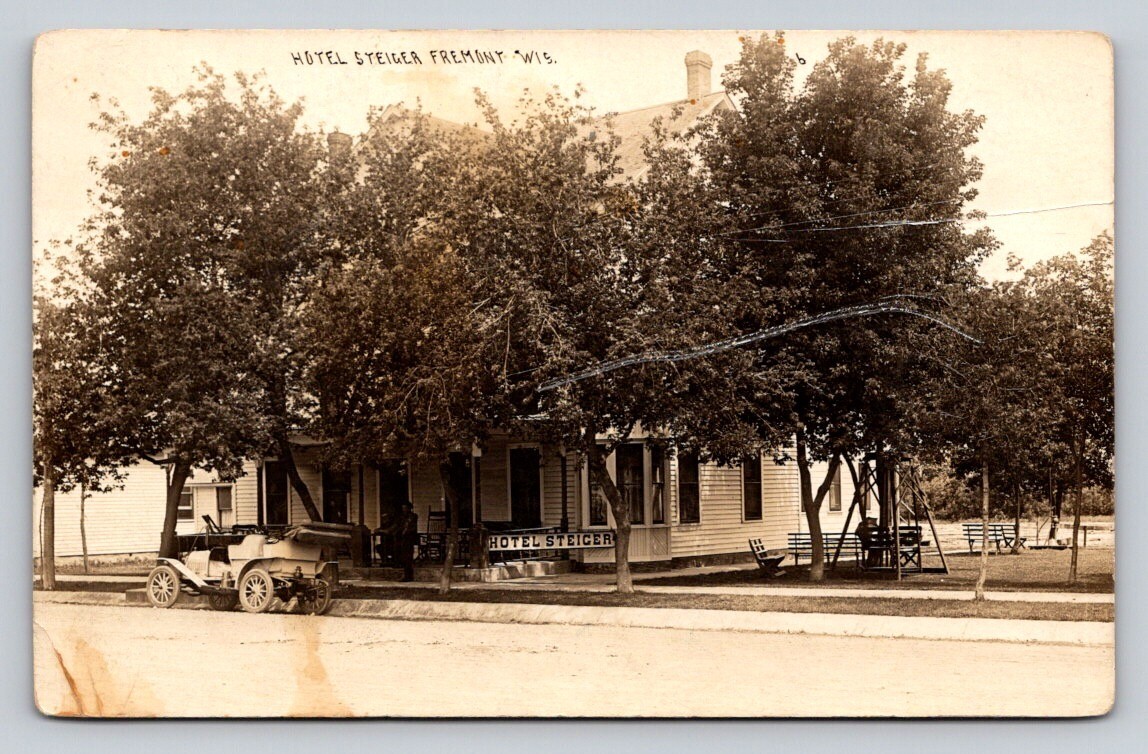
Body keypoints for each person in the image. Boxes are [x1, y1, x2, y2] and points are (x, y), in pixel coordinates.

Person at [396, 501, 419, 582]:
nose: (404, 510)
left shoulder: (413, 516)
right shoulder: (402, 517)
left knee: (408, 557)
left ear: (410, 508)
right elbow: (398, 526)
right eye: (403, 508)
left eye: (406, 508)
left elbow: (411, 527)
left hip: (409, 538)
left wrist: (406, 531)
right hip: (403, 538)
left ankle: (408, 576)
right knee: (403, 557)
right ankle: (406, 575)